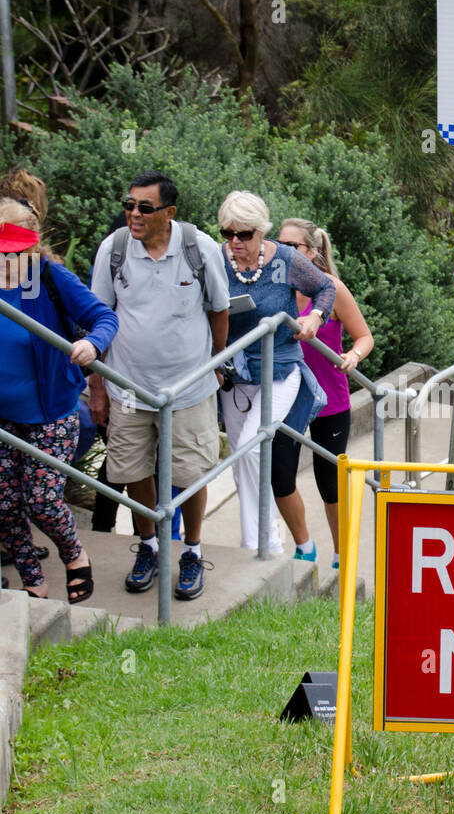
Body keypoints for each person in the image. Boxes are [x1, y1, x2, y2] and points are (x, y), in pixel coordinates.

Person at [89, 170, 230, 601]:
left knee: (190, 472)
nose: (133, 213)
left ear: (168, 213)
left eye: (144, 207)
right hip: (129, 387)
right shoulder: (113, 249)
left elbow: (219, 311)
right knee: (133, 469)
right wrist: (98, 387)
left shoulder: (198, 247)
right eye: (128, 205)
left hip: (188, 388)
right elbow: (99, 318)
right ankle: (148, 545)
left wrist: (215, 365)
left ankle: (191, 549)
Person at [0, 200, 118, 602]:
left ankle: (75, 555)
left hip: (50, 412)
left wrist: (90, 342)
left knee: (41, 500)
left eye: (12, 252)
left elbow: (105, 318)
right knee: (4, 504)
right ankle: (33, 583)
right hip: (3, 419)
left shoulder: (48, 276)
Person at [217, 194, 337, 555]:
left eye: (245, 234)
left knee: (252, 448)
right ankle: (251, 543)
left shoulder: (283, 260)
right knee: (242, 462)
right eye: (228, 233)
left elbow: (325, 287)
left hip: (281, 370)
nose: (236, 242)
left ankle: (270, 545)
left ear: (262, 231)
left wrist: (314, 317)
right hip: (235, 377)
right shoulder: (217, 260)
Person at [276, 218, 374, 568]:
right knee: (280, 476)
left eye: (293, 247)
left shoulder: (331, 288)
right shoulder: (275, 287)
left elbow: (365, 337)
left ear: (312, 252)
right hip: (287, 398)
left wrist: (353, 355)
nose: (284, 252)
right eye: (280, 244)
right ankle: (305, 546)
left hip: (330, 399)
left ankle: (341, 556)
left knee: (330, 484)